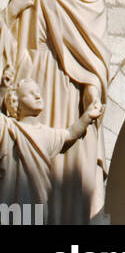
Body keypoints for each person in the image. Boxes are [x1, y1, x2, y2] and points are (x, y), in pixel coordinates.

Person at [6, 0, 109, 222]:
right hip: (36, 89)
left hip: (75, 95)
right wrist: (12, 11)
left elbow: (97, 57)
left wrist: (93, 89)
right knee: (33, 174)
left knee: (76, 175)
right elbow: (9, 51)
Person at [0, 76, 101, 209]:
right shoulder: (9, 127)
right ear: (15, 102)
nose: (37, 96)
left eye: (37, 92)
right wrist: (3, 90)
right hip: (14, 200)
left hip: (38, 199)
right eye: (30, 94)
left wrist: (87, 116)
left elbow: (70, 134)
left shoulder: (46, 133)